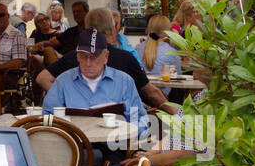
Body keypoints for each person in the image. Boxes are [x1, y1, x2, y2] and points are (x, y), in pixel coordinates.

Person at [37, 7, 176, 112]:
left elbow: (42, 79)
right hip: (118, 131)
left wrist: (69, 101)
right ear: (112, 30)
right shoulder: (125, 58)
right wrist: (179, 115)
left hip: (77, 132)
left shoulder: (74, 56)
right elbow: (151, 94)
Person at [43, 28, 149, 139]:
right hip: (74, 145)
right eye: (83, 56)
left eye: (94, 57)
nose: (88, 63)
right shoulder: (63, 81)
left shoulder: (124, 82)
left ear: (106, 57)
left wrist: (133, 138)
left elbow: (139, 119)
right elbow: (47, 116)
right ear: (77, 56)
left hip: (114, 144)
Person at [139, 15, 176, 79]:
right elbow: (177, 76)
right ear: (168, 31)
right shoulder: (172, 52)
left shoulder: (137, 49)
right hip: (163, 85)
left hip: (141, 85)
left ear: (149, 28)